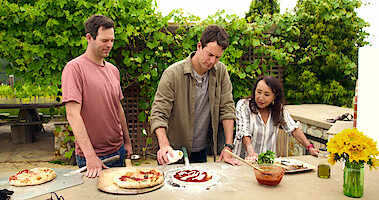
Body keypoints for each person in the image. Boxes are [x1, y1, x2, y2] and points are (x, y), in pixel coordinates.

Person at [150, 25, 241, 166]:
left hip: (201, 150)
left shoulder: (221, 71)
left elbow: (227, 108)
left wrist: (228, 146)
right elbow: (158, 113)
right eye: (210, 55)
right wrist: (164, 145)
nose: (212, 61)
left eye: (217, 57)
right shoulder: (172, 74)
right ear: (199, 46)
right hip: (173, 152)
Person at [61, 15, 133, 178]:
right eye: (104, 40)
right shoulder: (74, 68)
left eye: (112, 40)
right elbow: (73, 114)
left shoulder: (113, 70)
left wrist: (127, 142)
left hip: (118, 151)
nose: (109, 45)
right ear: (89, 37)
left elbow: (118, 108)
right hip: (94, 158)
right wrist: (90, 156)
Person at [233, 75, 319, 161]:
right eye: (258, 92)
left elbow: (293, 129)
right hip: (242, 162)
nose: (261, 98)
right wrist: (251, 152)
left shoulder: (279, 109)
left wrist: (310, 147)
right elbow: (244, 132)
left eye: (266, 94)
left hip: (267, 163)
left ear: (274, 96)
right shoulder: (244, 105)